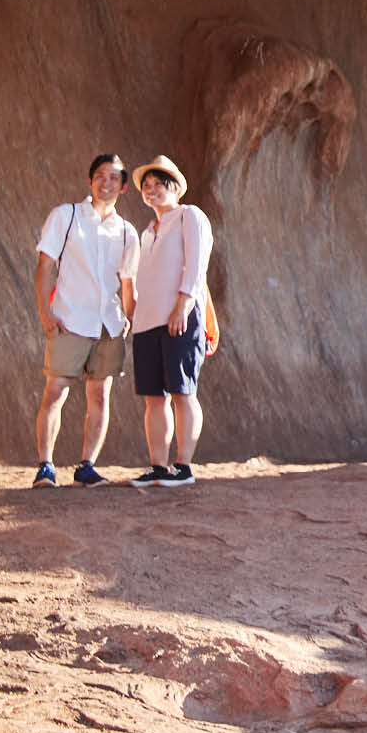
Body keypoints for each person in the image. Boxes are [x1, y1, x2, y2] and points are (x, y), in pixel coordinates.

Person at [31, 154, 138, 488]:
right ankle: (46, 465)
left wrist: (129, 320)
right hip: (69, 317)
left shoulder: (126, 231)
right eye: (100, 176)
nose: (106, 183)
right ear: (90, 181)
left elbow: (128, 283)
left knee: (100, 395)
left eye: (114, 178)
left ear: (123, 186)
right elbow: (46, 266)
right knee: (55, 391)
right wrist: (45, 314)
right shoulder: (67, 216)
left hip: (108, 323)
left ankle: (86, 466)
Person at [128, 155, 213, 488]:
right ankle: (158, 466)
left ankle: (183, 464)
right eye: (147, 187)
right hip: (146, 322)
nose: (152, 191)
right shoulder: (146, 232)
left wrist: (183, 305)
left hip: (180, 317)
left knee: (182, 391)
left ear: (175, 188)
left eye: (159, 185)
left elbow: (196, 265)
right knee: (153, 397)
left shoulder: (189, 216)